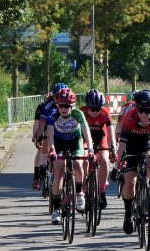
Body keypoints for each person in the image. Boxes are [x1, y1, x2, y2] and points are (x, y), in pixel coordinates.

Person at [115, 90, 150, 235]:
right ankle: (128, 214)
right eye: (141, 110)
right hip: (132, 143)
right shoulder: (130, 117)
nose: (144, 114)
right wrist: (117, 164)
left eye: (148, 111)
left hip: (148, 141)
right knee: (130, 182)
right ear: (136, 108)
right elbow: (122, 146)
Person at [46, 87, 93, 225]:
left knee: (78, 164)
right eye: (61, 105)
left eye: (67, 106)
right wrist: (52, 150)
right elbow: (50, 136)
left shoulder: (78, 114)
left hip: (75, 142)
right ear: (57, 105)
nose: (64, 109)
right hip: (59, 142)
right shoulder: (53, 115)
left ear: (72, 106)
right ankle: (56, 209)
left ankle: (79, 193)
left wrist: (90, 149)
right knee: (59, 170)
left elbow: (87, 133)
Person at [80, 89, 116, 209]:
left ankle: (101, 191)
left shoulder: (105, 113)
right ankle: (83, 190)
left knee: (104, 161)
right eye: (92, 108)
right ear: (87, 106)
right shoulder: (81, 112)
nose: (95, 111)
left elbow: (111, 133)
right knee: (84, 160)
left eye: (98, 109)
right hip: (85, 138)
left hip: (101, 137)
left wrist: (113, 149)